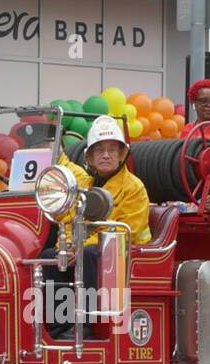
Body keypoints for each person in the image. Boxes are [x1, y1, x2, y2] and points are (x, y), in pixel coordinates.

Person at [43, 114, 150, 339]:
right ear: (89, 157)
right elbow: (63, 167)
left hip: (127, 255)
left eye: (112, 150)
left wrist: (79, 248)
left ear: (122, 154)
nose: (106, 155)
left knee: (92, 254)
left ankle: (88, 325)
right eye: (99, 151)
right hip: (87, 248)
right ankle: (60, 327)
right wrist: (69, 247)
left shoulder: (134, 188)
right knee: (51, 256)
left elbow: (120, 232)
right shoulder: (84, 184)